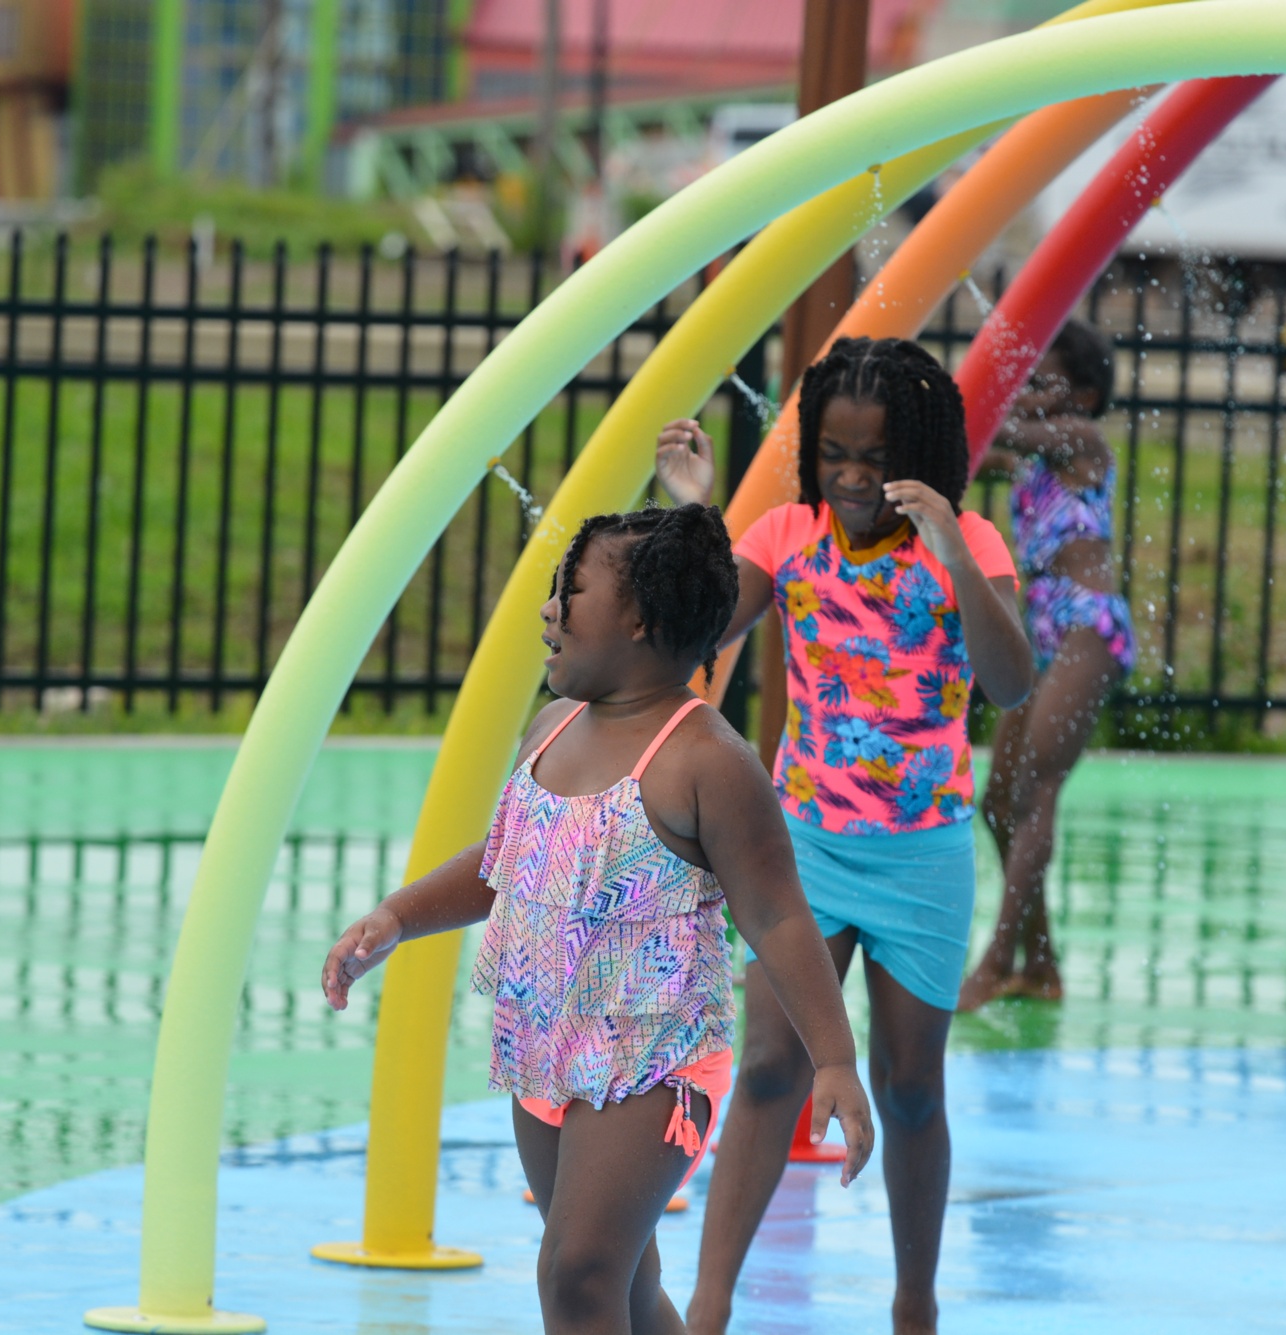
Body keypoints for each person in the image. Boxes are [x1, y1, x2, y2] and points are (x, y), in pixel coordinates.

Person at [321, 504, 874, 1335]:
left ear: (641, 620)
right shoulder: (552, 730)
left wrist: (832, 1059)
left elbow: (781, 919)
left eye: (570, 591)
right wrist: (397, 916)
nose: (549, 609)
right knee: (618, 1277)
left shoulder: (707, 761)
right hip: (543, 1048)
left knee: (576, 1273)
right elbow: (504, 863)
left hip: (657, 1064)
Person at [655, 337, 1033, 1335]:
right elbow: (696, 635)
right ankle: (708, 1304)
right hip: (802, 852)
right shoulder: (784, 534)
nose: (854, 478)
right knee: (770, 1068)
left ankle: (913, 1298)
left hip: (921, 856)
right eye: (834, 455)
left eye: (874, 457)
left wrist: (951, 547)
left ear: (922, 455)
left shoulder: (972, 546)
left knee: (909, 1088)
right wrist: (698, 511)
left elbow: (1011, 681)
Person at [960, 320, 1133, 1009]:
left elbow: (1002, 429)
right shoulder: (1035, 456)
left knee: (1033, 786)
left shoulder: (1083, 442)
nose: (1030, 391)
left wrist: (995, 397)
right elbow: (978, 450)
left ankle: (999, 958)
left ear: (1085, 394)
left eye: (1046, 380)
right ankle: (1043, 961)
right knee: (997, 801)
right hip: (1042, 625)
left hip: (1090, 626)